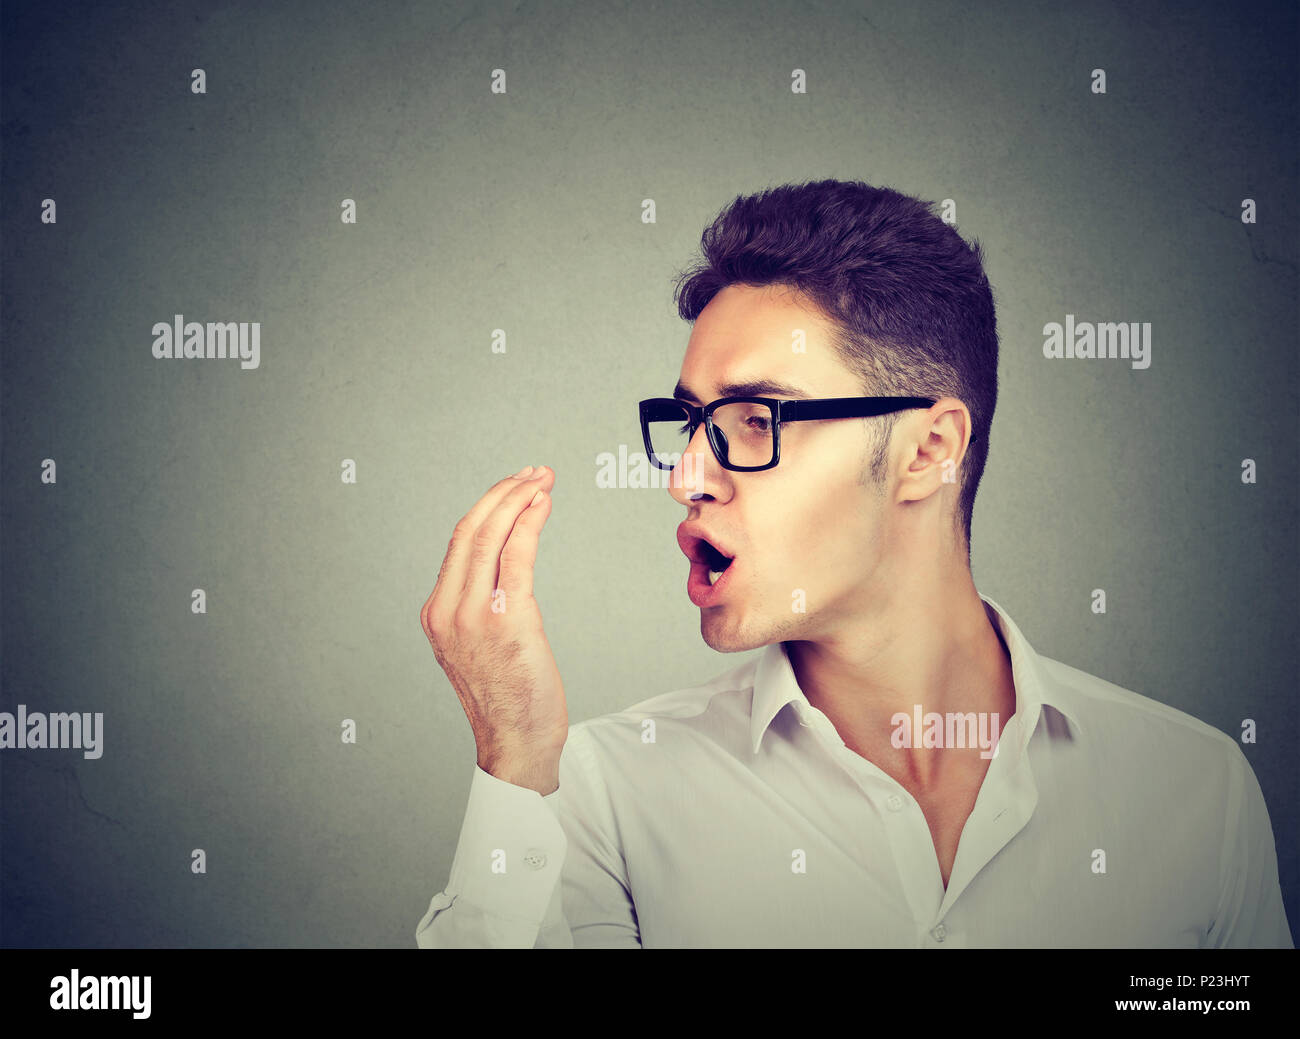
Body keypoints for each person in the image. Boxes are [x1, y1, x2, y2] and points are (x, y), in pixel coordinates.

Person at [415, 179, 1292, 948]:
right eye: (691, 425)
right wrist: (515, 764)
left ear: (928, 450)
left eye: (757, 419)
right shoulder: (600, 791)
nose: (688, 476)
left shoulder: (1196, 796)